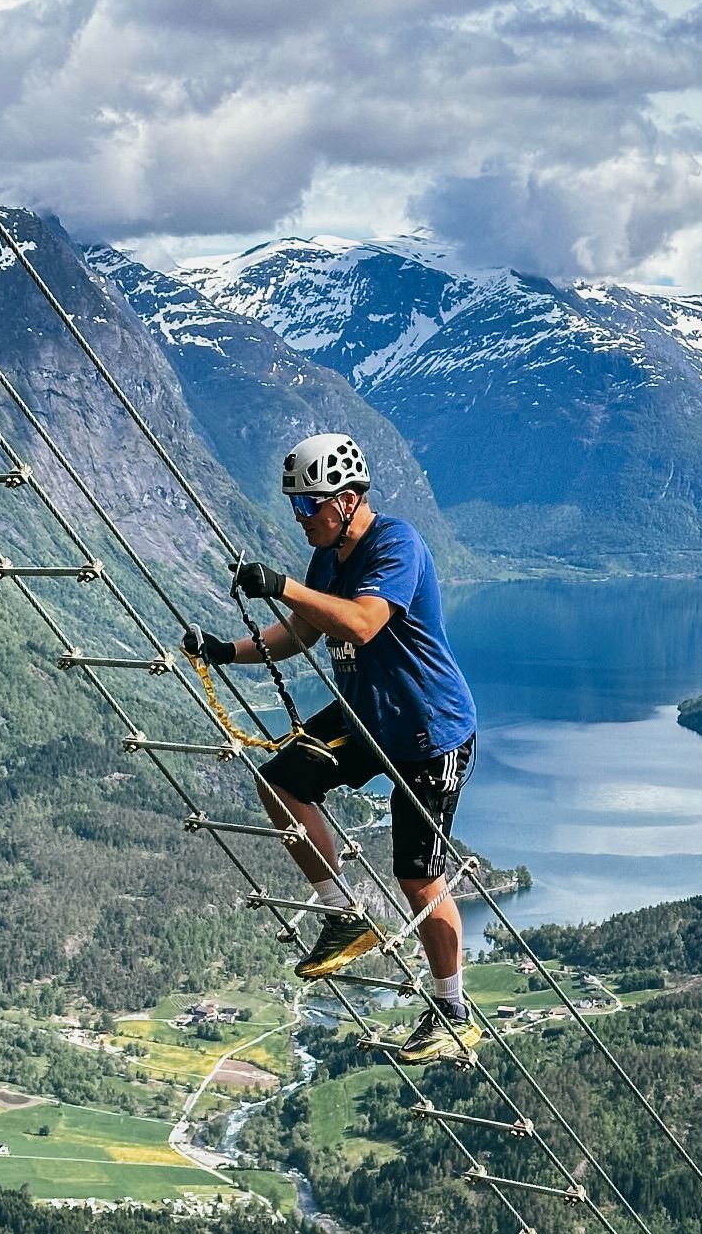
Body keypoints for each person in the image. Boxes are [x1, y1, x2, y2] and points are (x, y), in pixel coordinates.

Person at [182, 432, 480, 1066]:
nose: (300, 517)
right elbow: (303, 633)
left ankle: (452, 1009)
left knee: (418, 878)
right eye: (295, 507)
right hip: (367, 717)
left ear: (345, 499)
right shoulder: (328, 555)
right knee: (280, 783)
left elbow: (364, 622)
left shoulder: (396, 544)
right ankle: (343, 915)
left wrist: (282, 583)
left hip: (430, 731)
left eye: (307, 506)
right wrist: (224, 651)